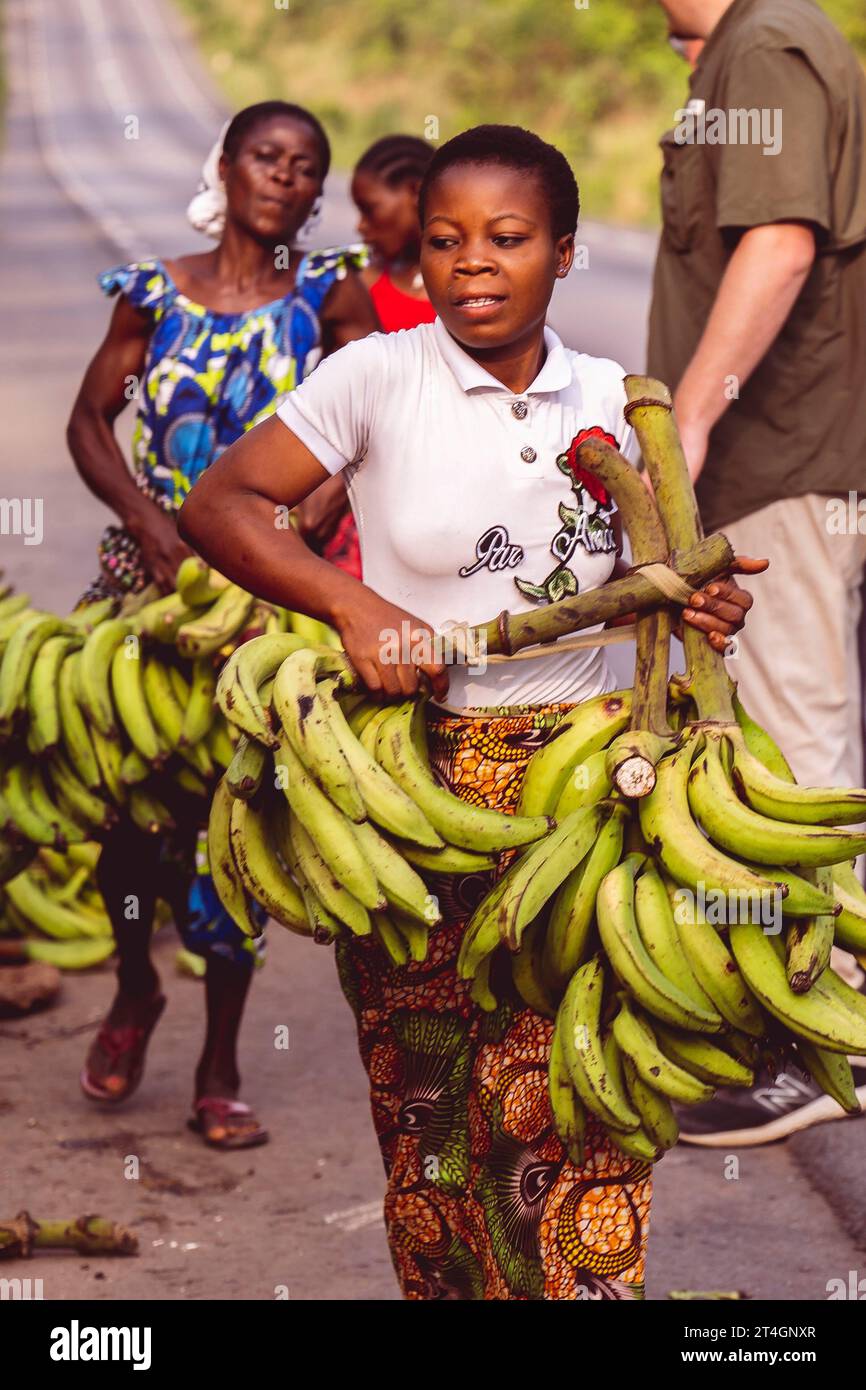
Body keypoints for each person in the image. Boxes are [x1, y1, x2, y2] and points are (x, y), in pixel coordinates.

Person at [180, 124, 761, 1299]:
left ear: (562, 252)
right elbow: (224, 504)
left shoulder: (612, 398)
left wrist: (697, 603)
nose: (473, 264)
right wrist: (353, 609)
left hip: (593, 794)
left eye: (507, 239)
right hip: (421, 794)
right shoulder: (375, 377)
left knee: (579, 1102)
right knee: (433, 1122)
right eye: (445, 241)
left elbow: (664, 570)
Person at [66, 100, 378, 1148]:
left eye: (303, 166)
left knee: (235, 826)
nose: (282, 178)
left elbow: (377, 414)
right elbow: (87, 419)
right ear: (227, 167)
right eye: (264, 157)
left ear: (314, 192)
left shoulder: (329, 294)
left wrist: (306, 524)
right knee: (128, 830)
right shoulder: (152, 294)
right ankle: (130, 992)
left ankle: (219, 1059)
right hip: (147, 592)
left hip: (270, 602)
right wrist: (147, 522)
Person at [649, 0, 866, 1145]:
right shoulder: (758, 39)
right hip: (794, 457)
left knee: (797, 759)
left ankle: (826, 1043)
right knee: (795, 736)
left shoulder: (766, 39)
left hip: (778, 458)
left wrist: (688, 421)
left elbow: (779, 238)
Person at [298, 134, 437, 579]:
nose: (360, 227)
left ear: (416, 190)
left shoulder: (466, 289)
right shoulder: (355, 283)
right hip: (362, 487)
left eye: (370, 210)